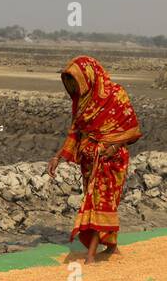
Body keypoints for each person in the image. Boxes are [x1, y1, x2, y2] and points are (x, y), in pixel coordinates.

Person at [48, 56, 142, 262]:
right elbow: (75, 132)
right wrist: (58, 157)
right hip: (88, 161)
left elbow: (132, 131)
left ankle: (91, 255)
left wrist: (114, 146)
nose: (74, 88)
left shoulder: (116, 95)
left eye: (76, 82)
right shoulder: (82, 102)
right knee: (94, 202)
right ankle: (111, 246)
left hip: (112, 160)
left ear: (89, 78)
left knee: (101, 202)